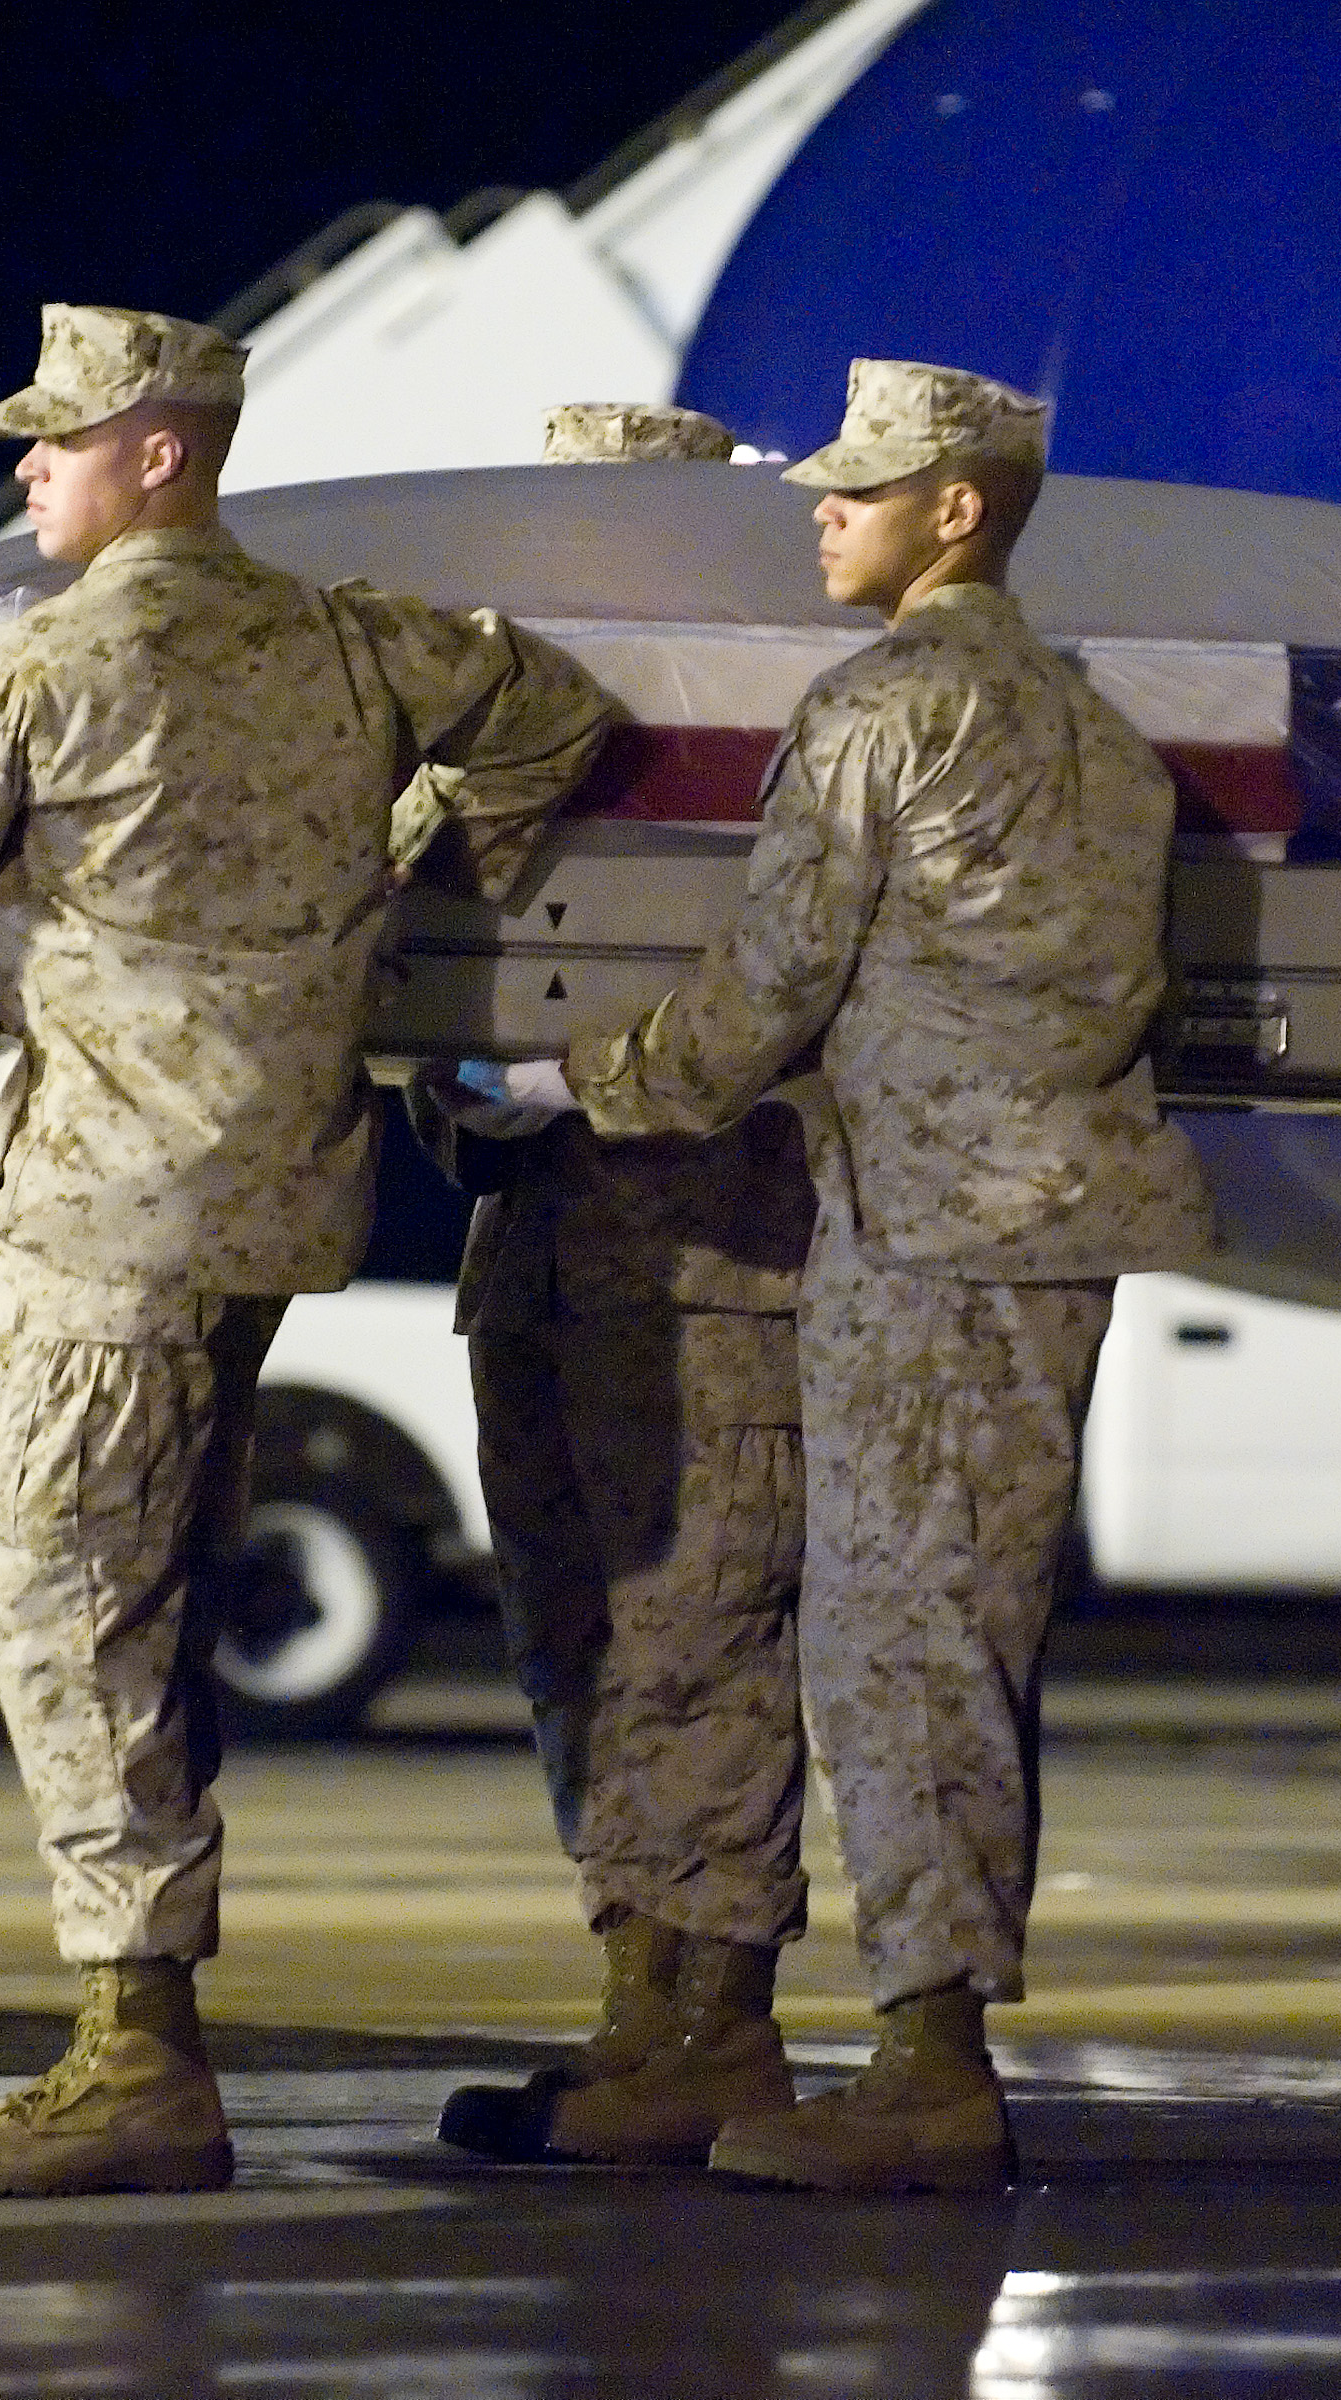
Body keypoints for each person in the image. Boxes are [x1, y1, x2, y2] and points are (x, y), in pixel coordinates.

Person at [0, 305, 616, 2195]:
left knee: (72, 1615)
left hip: (93, 1213)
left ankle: (137, 2047)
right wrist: (392, 882)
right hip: (276, 1201)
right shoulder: (342, 639)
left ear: (161, 452)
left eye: (60, 442)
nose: (27, 470)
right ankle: (136, 2024)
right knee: (153, 1607)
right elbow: (552, 713)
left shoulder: (36, 666)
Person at [492, 358, 1217, 2192]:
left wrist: (568, 1080)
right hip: (1033, 1218)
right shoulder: (1099, 728)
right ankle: (916, 2033)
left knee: (902, 1640)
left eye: (859, 490)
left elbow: (765, 993)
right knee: (946, 1629)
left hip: (930, 1228)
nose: (821, 511)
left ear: (956, 509)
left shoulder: (885, 710)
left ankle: (934, 2063)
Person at [428, 403, 824, 2171]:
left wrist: (563, 1082)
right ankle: (635, 2008)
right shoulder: (532, 739)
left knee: (701, 1645)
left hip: (712, 1260)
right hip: (538, 1258)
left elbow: (769, 998)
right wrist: (454, 1086)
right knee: (574, 1647)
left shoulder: (763, 726)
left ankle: (717, 2021)